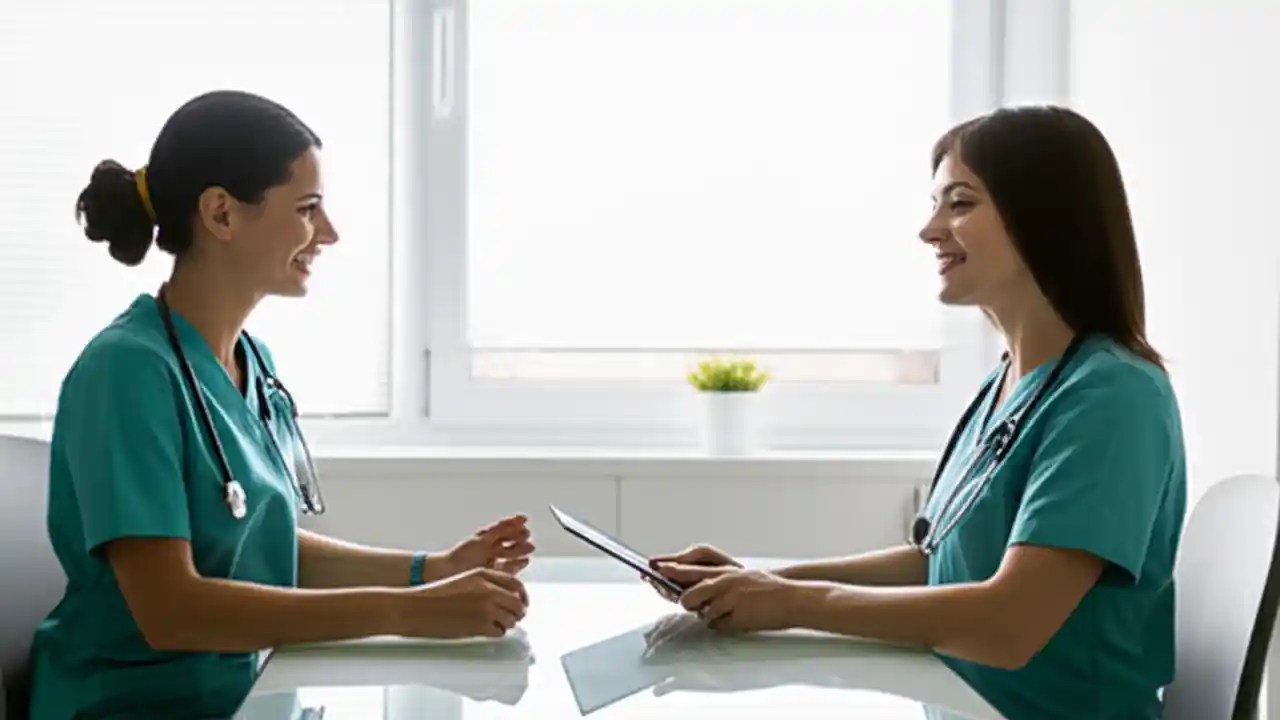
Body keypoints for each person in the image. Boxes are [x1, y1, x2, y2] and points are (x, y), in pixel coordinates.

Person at [648, 106, 1187, 720]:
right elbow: (938, 560)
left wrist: (793, 602)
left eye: (959, 203)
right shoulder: (1008, 384)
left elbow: (1010, 624)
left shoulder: (1113, 396)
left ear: (1045, 216)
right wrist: (758, 583)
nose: (930, 230)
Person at [28, 90, 535, 720]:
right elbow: (170, 610)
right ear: (221, 213)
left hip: (249, 692)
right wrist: (407, 612)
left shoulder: (250, 361)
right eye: (307, 209)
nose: (328, 233)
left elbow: (257, 542)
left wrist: (428, 570)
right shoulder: (125, 373)